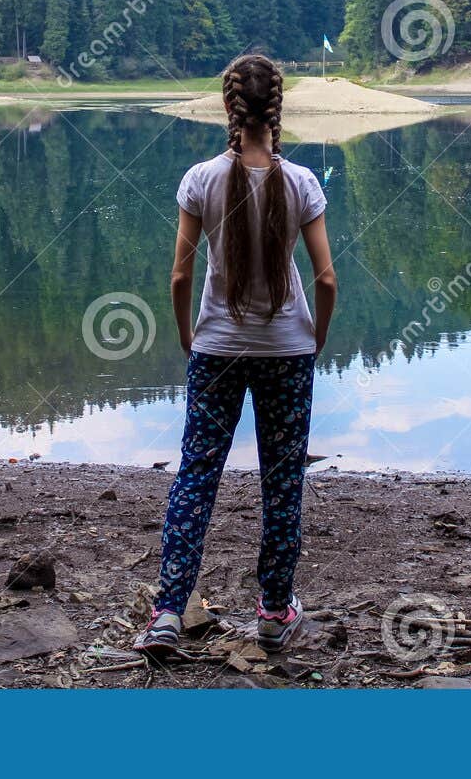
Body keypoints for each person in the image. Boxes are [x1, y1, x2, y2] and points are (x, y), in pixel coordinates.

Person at [134, 54, 337, 656]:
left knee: (197, 475)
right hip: (287, 353)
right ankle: (275, 612)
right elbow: (326, 281)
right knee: (282, 482)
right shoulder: (302, 183)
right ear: (278, 110)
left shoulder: (201, 179)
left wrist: (185, 335)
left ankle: (168, 613)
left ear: (228, 108)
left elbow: (178, 275)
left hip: (217, 349)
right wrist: (315, 337)